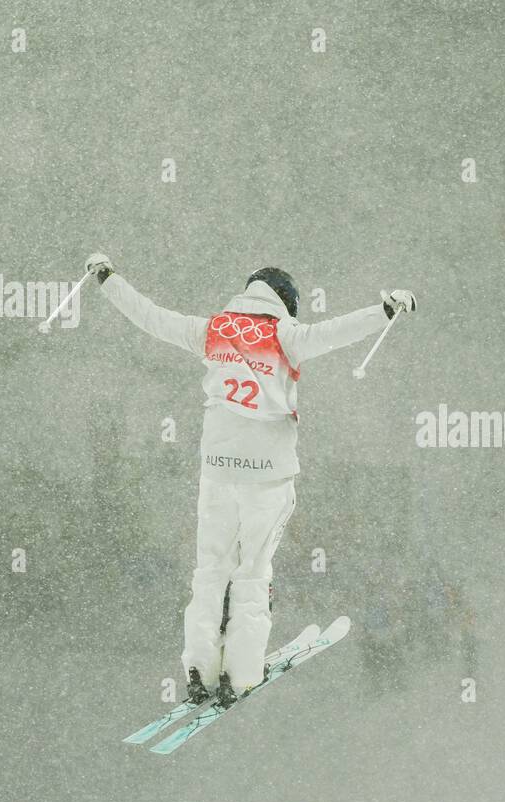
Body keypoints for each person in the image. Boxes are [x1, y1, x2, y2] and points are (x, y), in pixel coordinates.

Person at [84, 253, 417, 705]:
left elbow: (150, 316)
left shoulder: (212, 329)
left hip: (218, 470)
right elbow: (337, 332)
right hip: (268, 474)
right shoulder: (286, 335)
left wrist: (107, 278)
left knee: (210, 571)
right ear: (287, 302)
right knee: (253, 572)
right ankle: (241, 674)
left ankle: (200, 668)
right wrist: (385, 310)